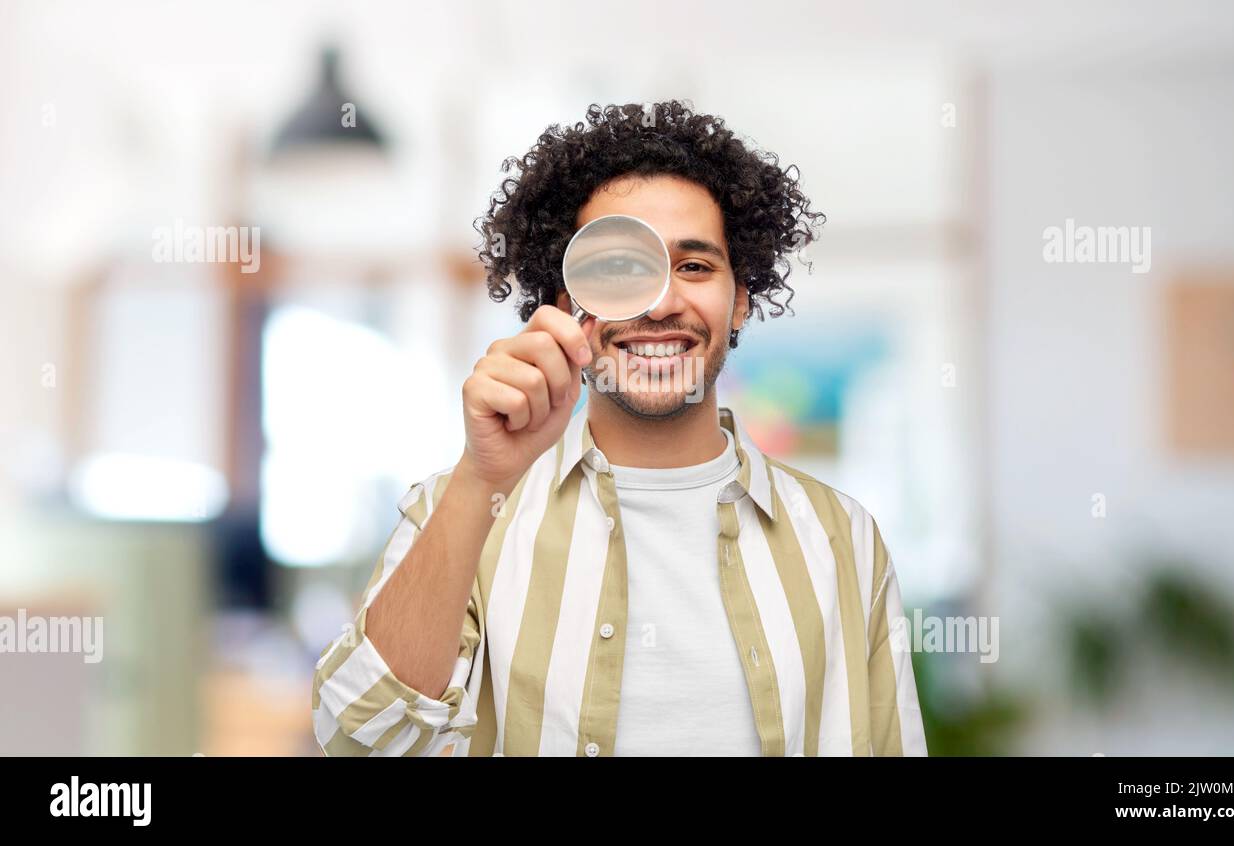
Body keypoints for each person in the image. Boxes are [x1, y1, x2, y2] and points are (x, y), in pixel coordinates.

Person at [311, 101, 927, 756]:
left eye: (693, 267)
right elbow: (359, 739)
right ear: (564, 302)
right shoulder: (463, 509)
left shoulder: (841, 538)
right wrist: (481, 476)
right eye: (618, 269)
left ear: (741, 298)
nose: (660, 303)